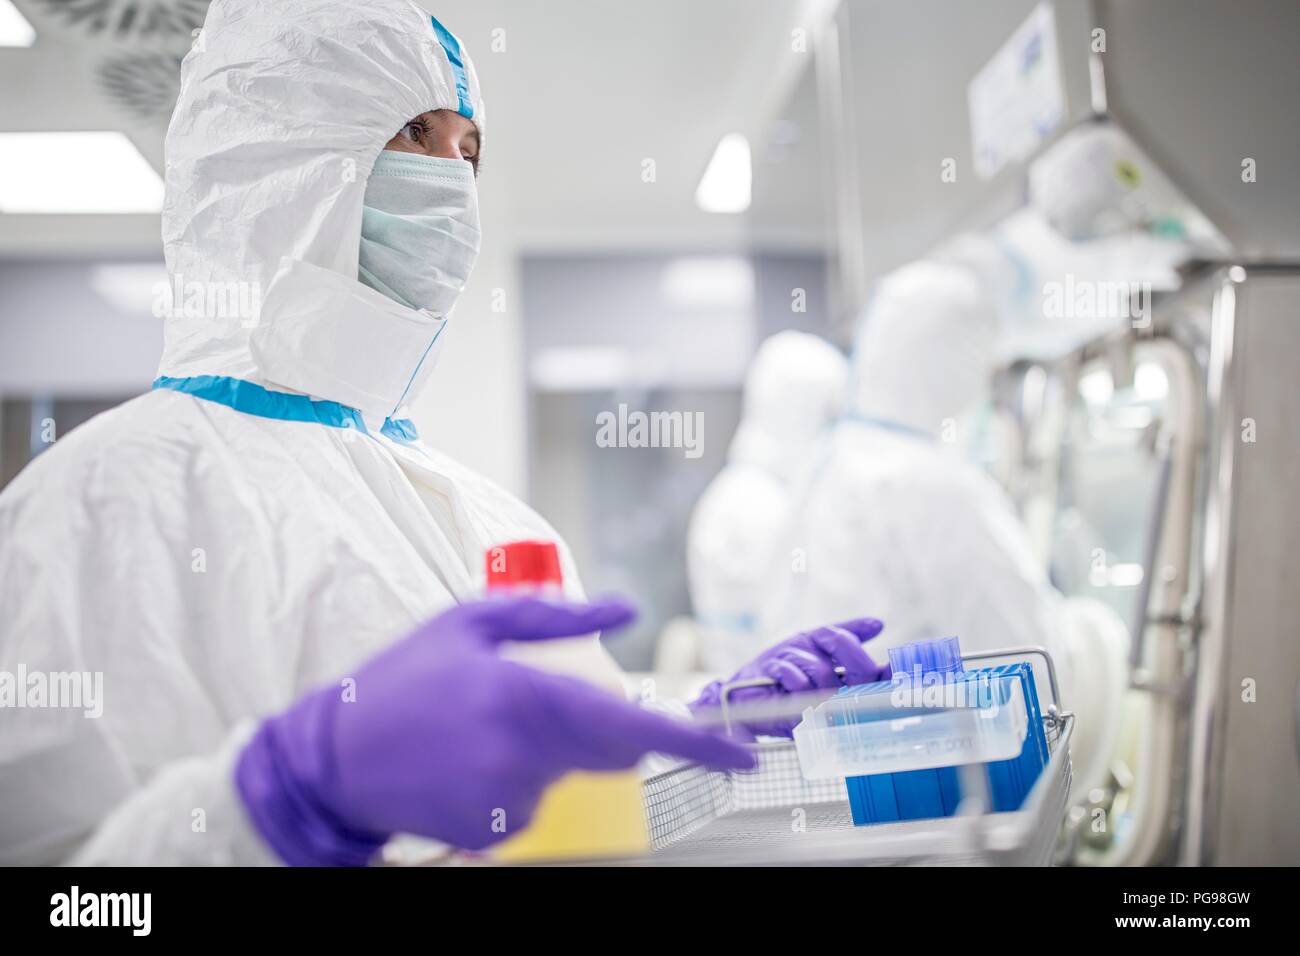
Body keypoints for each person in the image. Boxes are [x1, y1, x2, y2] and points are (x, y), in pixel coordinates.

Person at [0, 0, 887, 865]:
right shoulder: (98, 504)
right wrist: (279, 804)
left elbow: (561, 823)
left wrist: (699, 734)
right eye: (417, 135)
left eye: (471, 151)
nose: (455, 182)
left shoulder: (490, 522)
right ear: (278, 164)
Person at [760, 260, 1071, 689]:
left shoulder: (826, 462)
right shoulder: (934, 486)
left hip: (819, 747)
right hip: (909, 750)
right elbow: (1029, 659)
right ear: (957, 369)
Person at [685, 331, 848, 674]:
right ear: (798, 411)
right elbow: (792, 628)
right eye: (830, 416)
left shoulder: (741, 492)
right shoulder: (758, 508)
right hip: (769, 708)